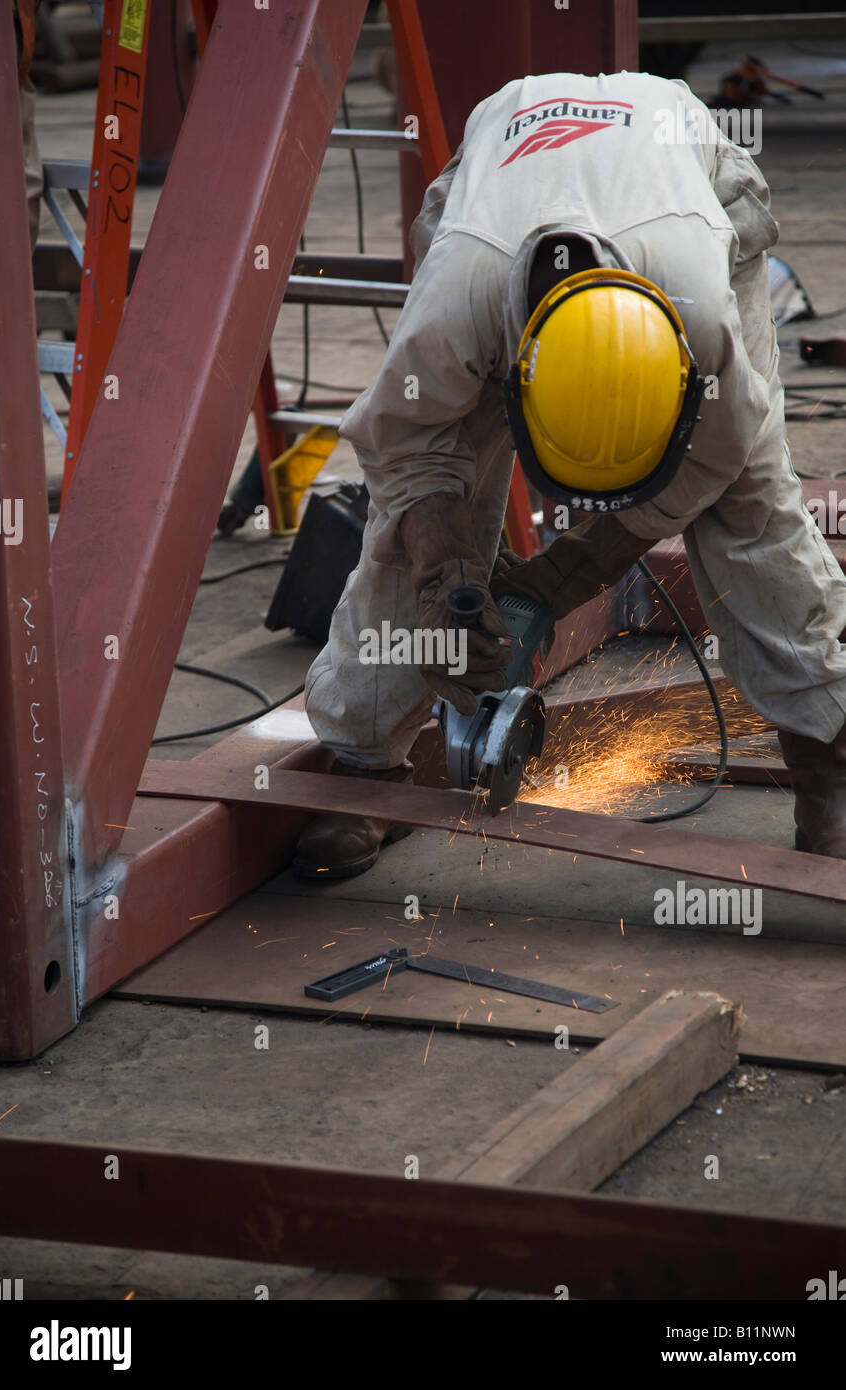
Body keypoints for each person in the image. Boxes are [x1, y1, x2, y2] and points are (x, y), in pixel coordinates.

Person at [296, 70, 846, 879]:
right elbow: (407, 447)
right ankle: (366, 761)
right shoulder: (459, 305)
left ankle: (828, 760)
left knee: (750, 503)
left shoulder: (702, 319)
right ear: (515, 384)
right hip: (500, 181)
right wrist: (443, 577)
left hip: (684, 183)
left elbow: (719, 455)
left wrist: (561, 578)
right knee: (412, 516)